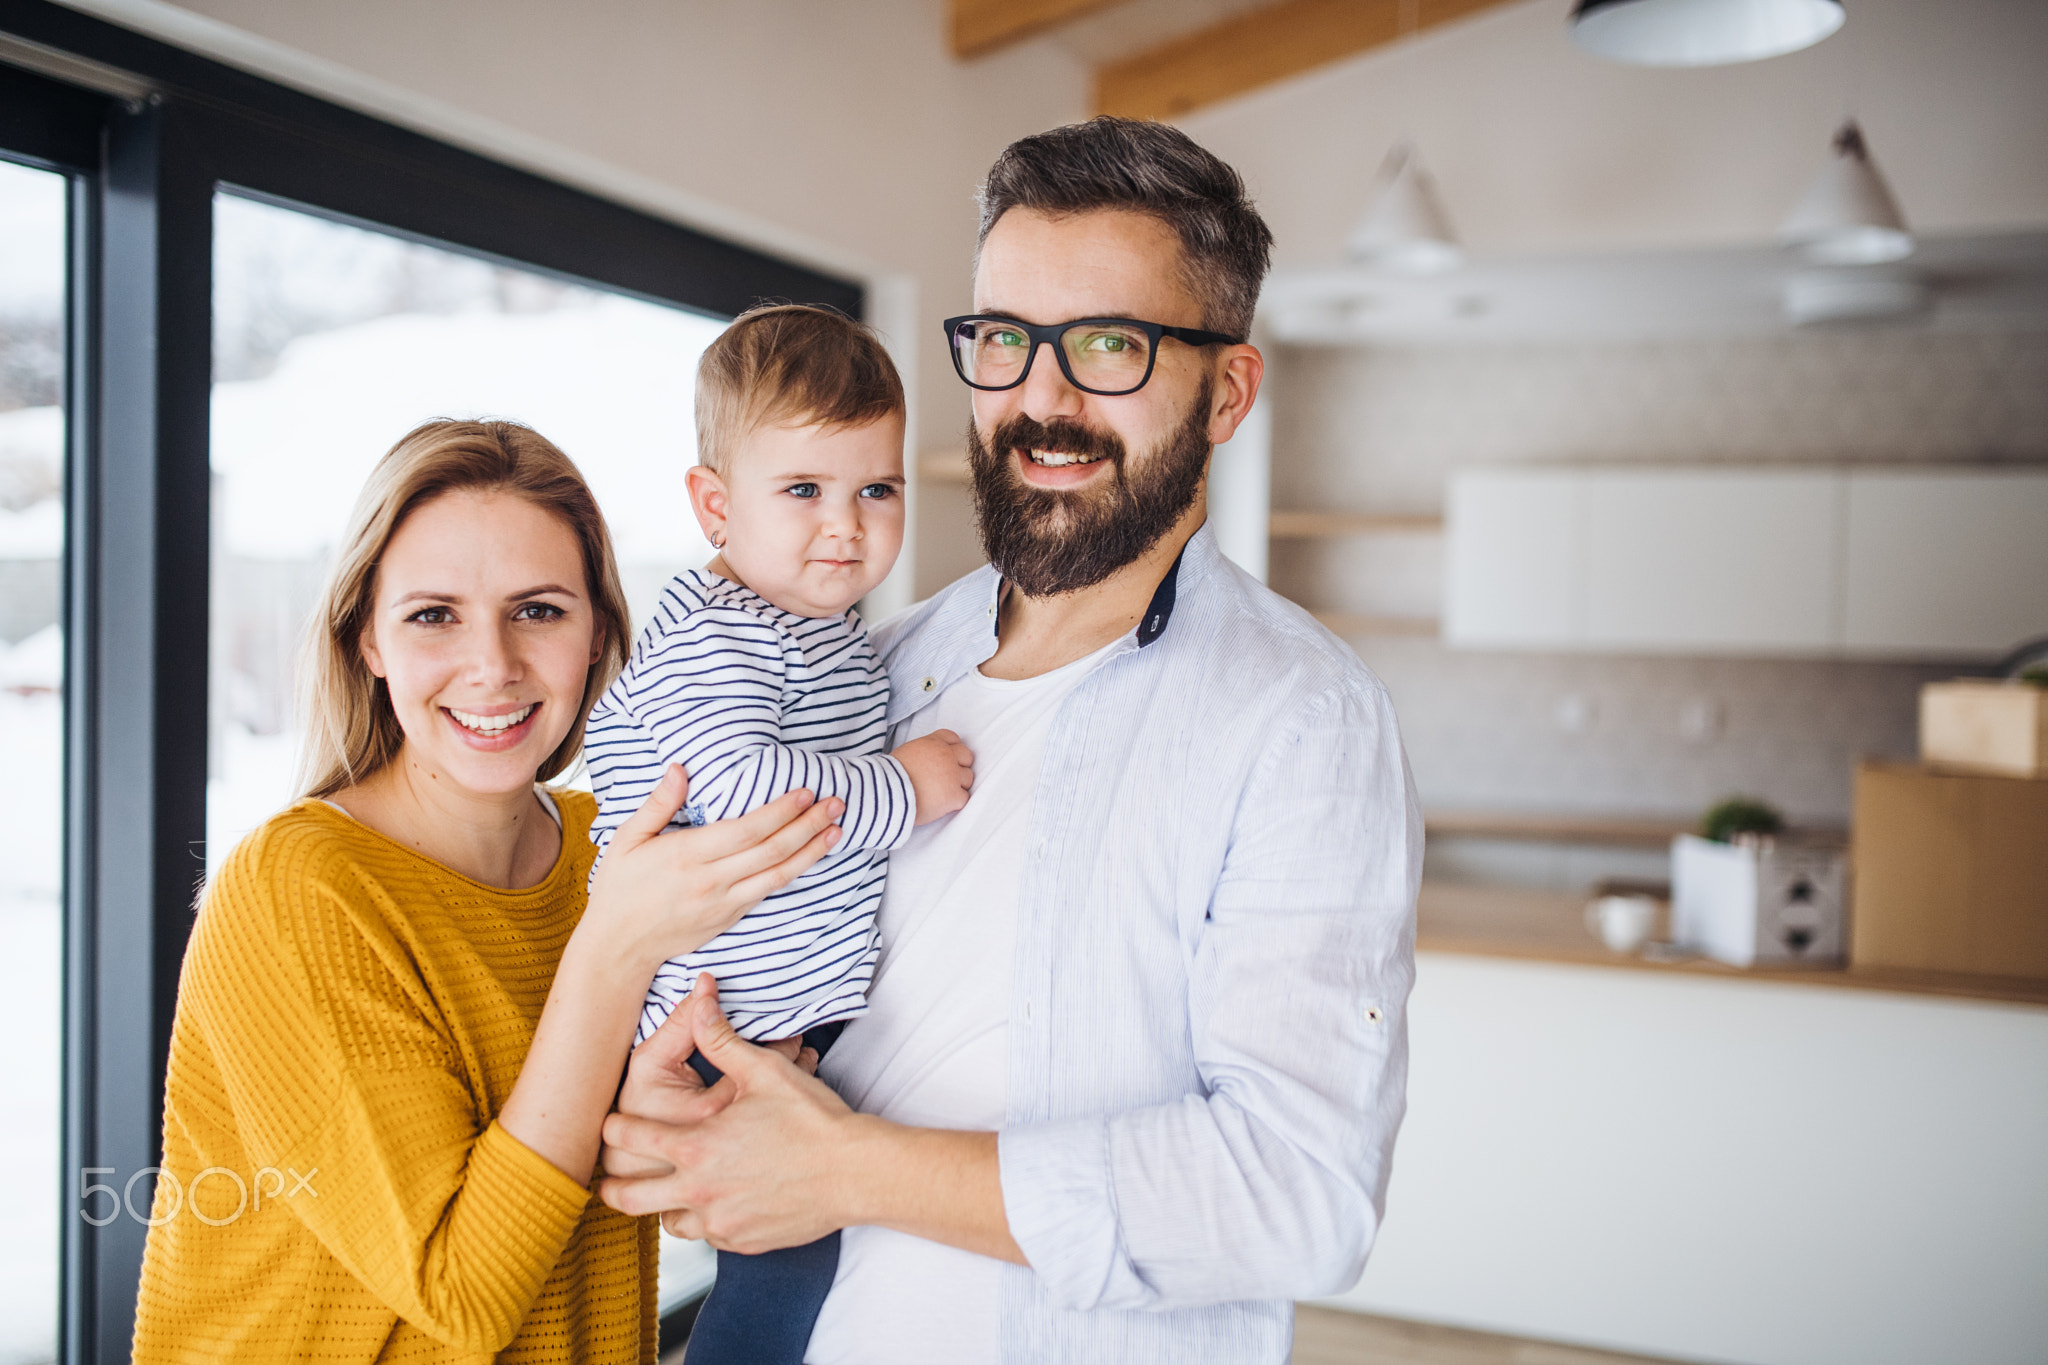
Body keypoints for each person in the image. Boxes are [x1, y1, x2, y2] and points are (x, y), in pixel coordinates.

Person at [599, 116, 1422, 1364]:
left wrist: (849, 1172)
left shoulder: (1300, 722)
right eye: (1003, 341)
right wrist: (661, 1095)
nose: (1040, 402)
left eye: (1108, 346)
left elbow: (1295, 1193)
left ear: (1228, 390)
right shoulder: (872, 670)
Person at [132, 419, 845, 1362]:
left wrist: (665, 1137)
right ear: (368, 640)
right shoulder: (300, 889)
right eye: (434, 614)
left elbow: (680, 1162)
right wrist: (616, 944)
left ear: (599, 635)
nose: (494, 665)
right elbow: (462, 1292)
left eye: (540, 609)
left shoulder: (618, 844)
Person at [582, 304, 974, 1363]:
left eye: (873, 490)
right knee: (785, 1270)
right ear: (714, 505)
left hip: (772, 1013)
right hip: (722, 1029)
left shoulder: (809, 629)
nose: (844, 525)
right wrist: (903, 783)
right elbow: (751, 792)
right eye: (802, 490)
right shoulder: (724, 639)